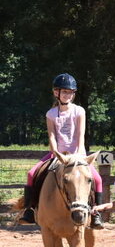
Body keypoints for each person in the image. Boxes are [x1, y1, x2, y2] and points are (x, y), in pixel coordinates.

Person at [19, 73, 104, 229]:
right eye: (64, 92)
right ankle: (30, 209)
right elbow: (52, 136)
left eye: (71, 92)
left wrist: (78, 155)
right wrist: (55, 152)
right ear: (56, 93)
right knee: (31, 174)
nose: (68, 95)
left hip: (78, 154)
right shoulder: (51, 114)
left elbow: (80, 135)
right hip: (58, 154)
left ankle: (95, 213)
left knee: (97, 179)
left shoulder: (79, 111)